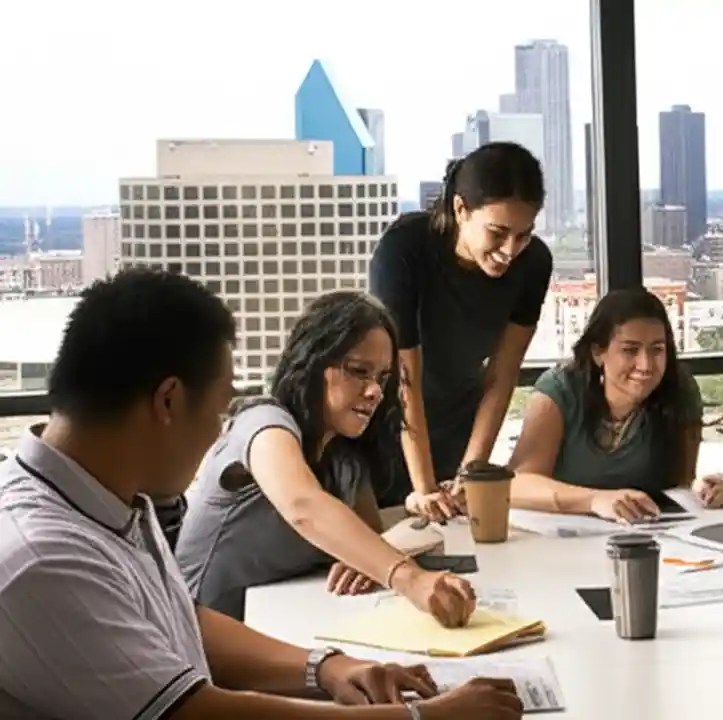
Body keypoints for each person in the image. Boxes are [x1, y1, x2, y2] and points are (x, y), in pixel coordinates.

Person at [0, 269, 522, 718]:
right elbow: (195, 713)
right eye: (219, 408)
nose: (215, 435)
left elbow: (179, 621)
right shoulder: (44, 557)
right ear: (168, 401)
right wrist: (419, 717)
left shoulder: (114, 501)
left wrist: (331, 669)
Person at [175, 291, 475, 625]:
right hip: (198, 638)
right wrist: (410, 578)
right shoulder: (262, 423)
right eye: (359, 371)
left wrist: (367, 560)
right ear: (314, 363)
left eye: (382, 378)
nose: (375, 390)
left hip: (282, 626)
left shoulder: (345, 460)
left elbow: (372, 539)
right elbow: (303, 504)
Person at [370, 142, 552, 521]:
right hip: (384, 425)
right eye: (498, 232)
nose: (510, 250)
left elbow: (502, 375)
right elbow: (405, 380)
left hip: (457, 422)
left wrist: (472, 470)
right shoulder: (406, 248)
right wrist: (423, 488)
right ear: (460, 209)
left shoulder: (534, 263)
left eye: (524, 234)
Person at [507, 287, 723, 522]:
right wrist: (596, 500)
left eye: (657, 350)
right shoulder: (560, 390)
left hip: (643, 536)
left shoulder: (680, 390)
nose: (645, 365)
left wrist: (707, 493)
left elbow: (680, 487)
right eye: (630, 350)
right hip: (558, 538)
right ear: (597, 352)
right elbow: (518, 483)